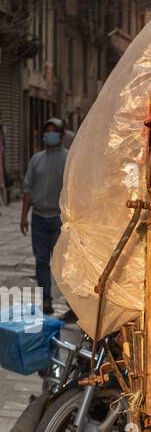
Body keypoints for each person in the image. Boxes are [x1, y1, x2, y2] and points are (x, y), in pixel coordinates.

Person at [20, 117, 68, 316]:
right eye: (47, 131)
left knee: (63, 264)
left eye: (53, 131)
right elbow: (28, 190)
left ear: (61, 135)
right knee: (41, 261)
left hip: (59, 219)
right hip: (39, 218)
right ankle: (46, 300)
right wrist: (24, 216)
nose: (50, 134)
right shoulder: (36, 159)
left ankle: (71, 304)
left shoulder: (68, 158)